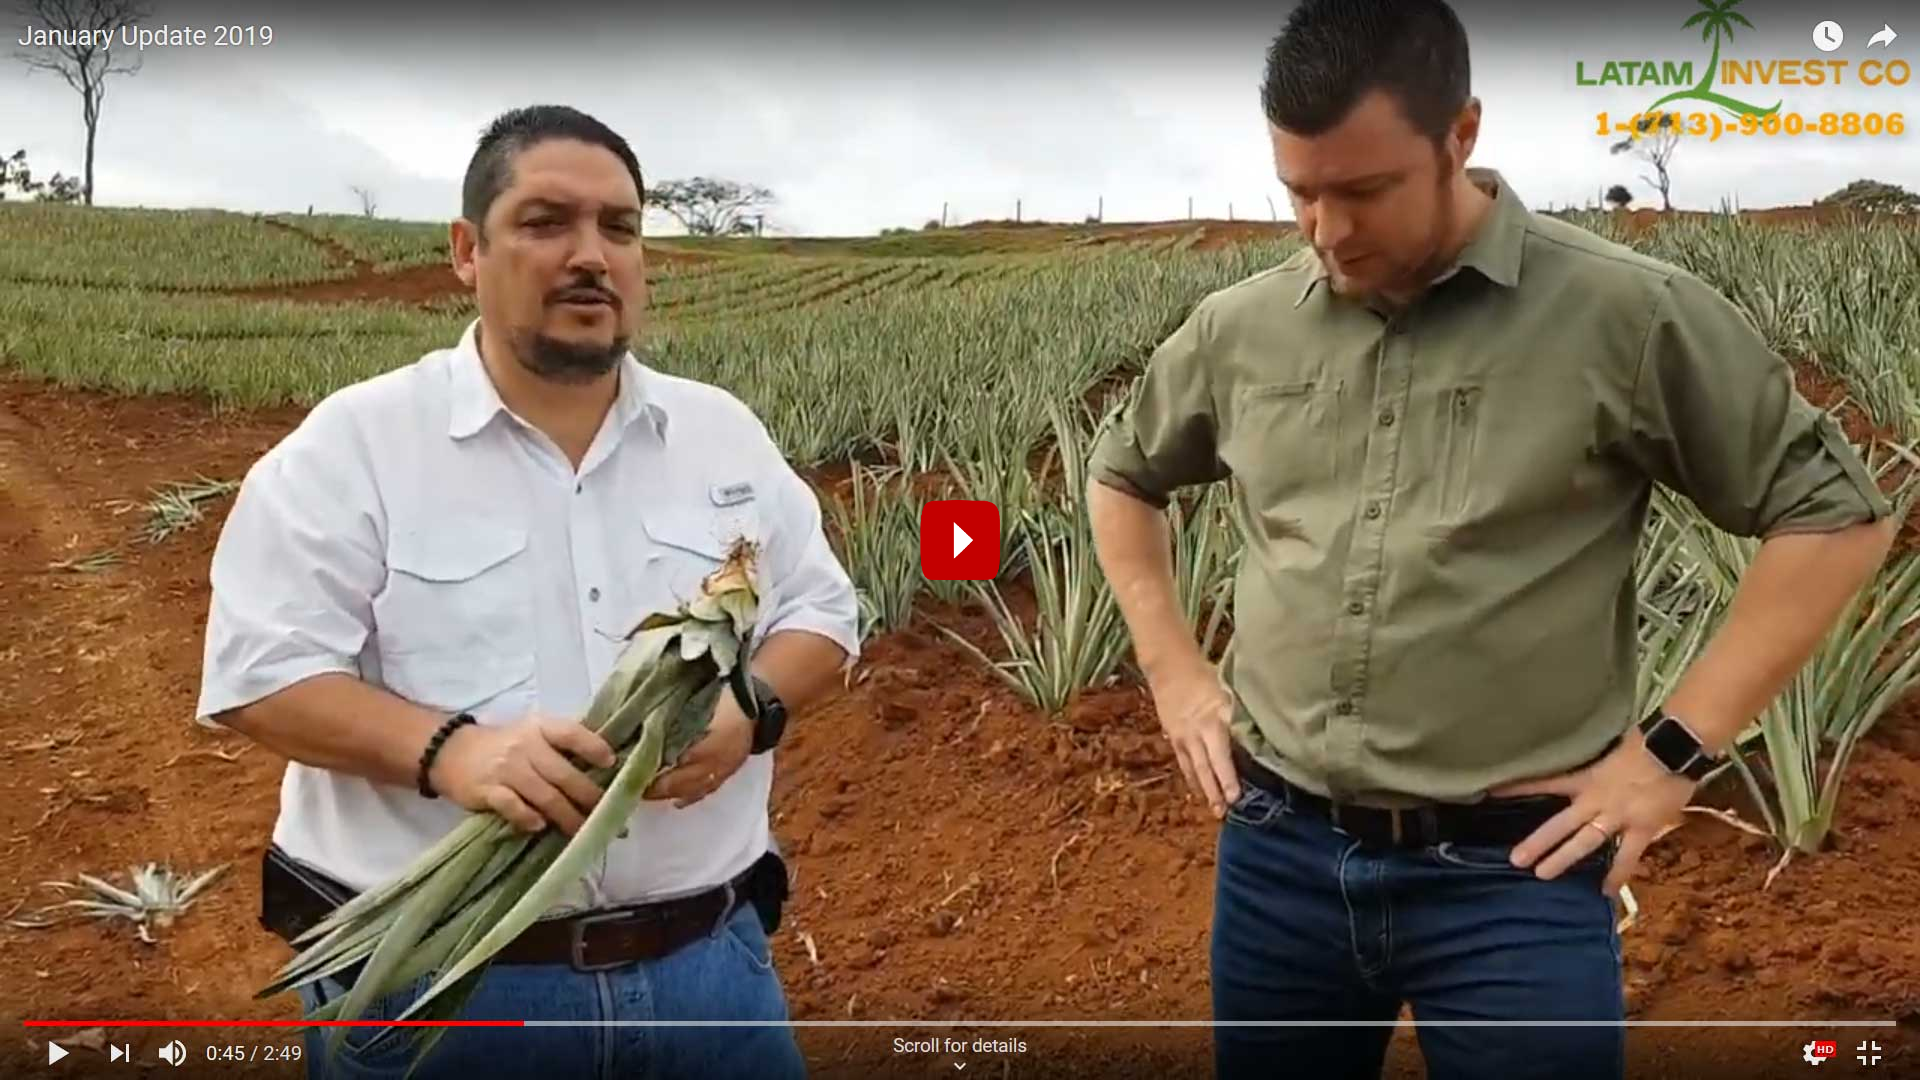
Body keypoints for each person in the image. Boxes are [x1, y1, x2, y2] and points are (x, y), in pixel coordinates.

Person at [1085, 3, 1897, 1078]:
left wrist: (1669, 758)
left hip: (1517, 869)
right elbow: (1119, 475)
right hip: (1278, 854)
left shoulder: (1626, 314)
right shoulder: (1242, 328)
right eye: (1301, 193)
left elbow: (1838, 513)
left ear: (1460, 137)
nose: (1328, 231)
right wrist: (1174, 670)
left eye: (1364, 191)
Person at [195, 104, 859, 1079]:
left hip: (711, 983)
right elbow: (260, 673)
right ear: (469, 250)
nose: (591, 255)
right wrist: (451, 752)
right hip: (447, 996)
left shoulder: (722, 435)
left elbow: (823, 613)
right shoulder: (358, 447)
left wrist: (746, 708)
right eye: (547, 222)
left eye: (619, 228)